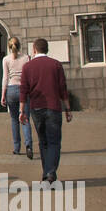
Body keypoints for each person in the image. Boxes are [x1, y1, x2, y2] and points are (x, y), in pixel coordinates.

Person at [18, 38, 72, 182]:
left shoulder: (27, 67)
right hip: (54, 107)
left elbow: (23, 90)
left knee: (43, 142)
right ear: (47, 49)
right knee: (54, 141)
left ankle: (47, 172)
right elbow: (63, 88)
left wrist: (22, 111)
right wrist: (68, 108)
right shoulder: (56, 65)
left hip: (36, 108)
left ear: (34, 50)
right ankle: (50, 172)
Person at [1, 37, 34, 158]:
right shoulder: (26, 58)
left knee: (14, 120)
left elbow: (5, 77)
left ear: (9, 47)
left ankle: (16, 147)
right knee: (25, 119)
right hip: (24, 90)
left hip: (11, 90)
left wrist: (3, 95)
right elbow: (30, 77)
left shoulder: (6, 59)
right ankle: (29, 145)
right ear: (20, 46)